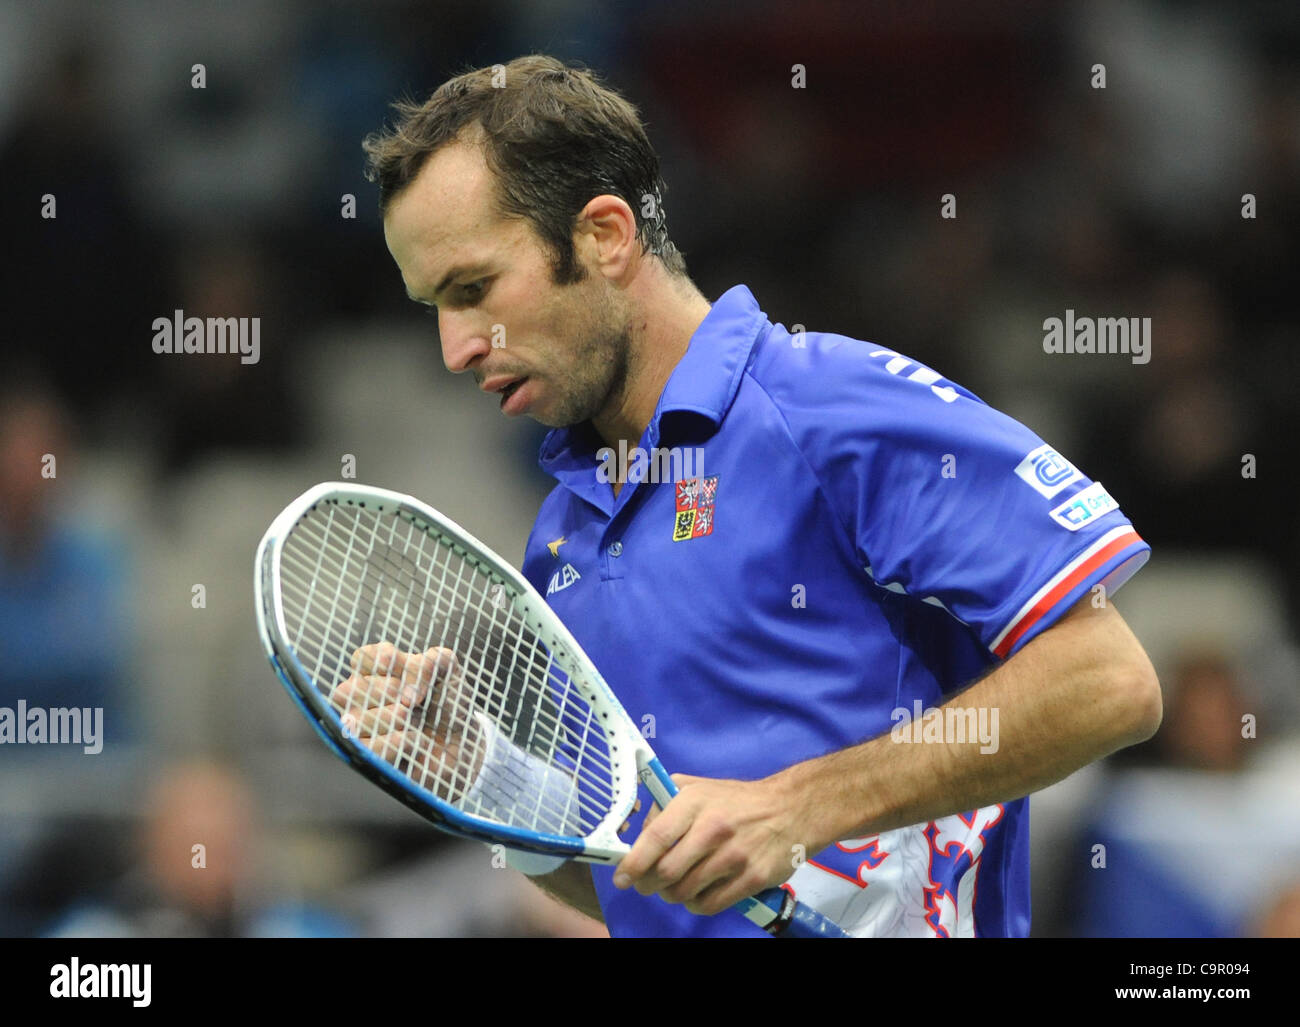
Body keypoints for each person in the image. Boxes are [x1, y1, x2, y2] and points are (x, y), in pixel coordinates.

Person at [351, 54, 1162, 937]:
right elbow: (648, 888)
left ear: (605, 236)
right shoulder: (560, 540)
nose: (455, 347)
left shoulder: (834, 411)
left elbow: (1110, 682)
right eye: (432, 304)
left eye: (474, 290)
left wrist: (793, 808)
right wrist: (483, 772)